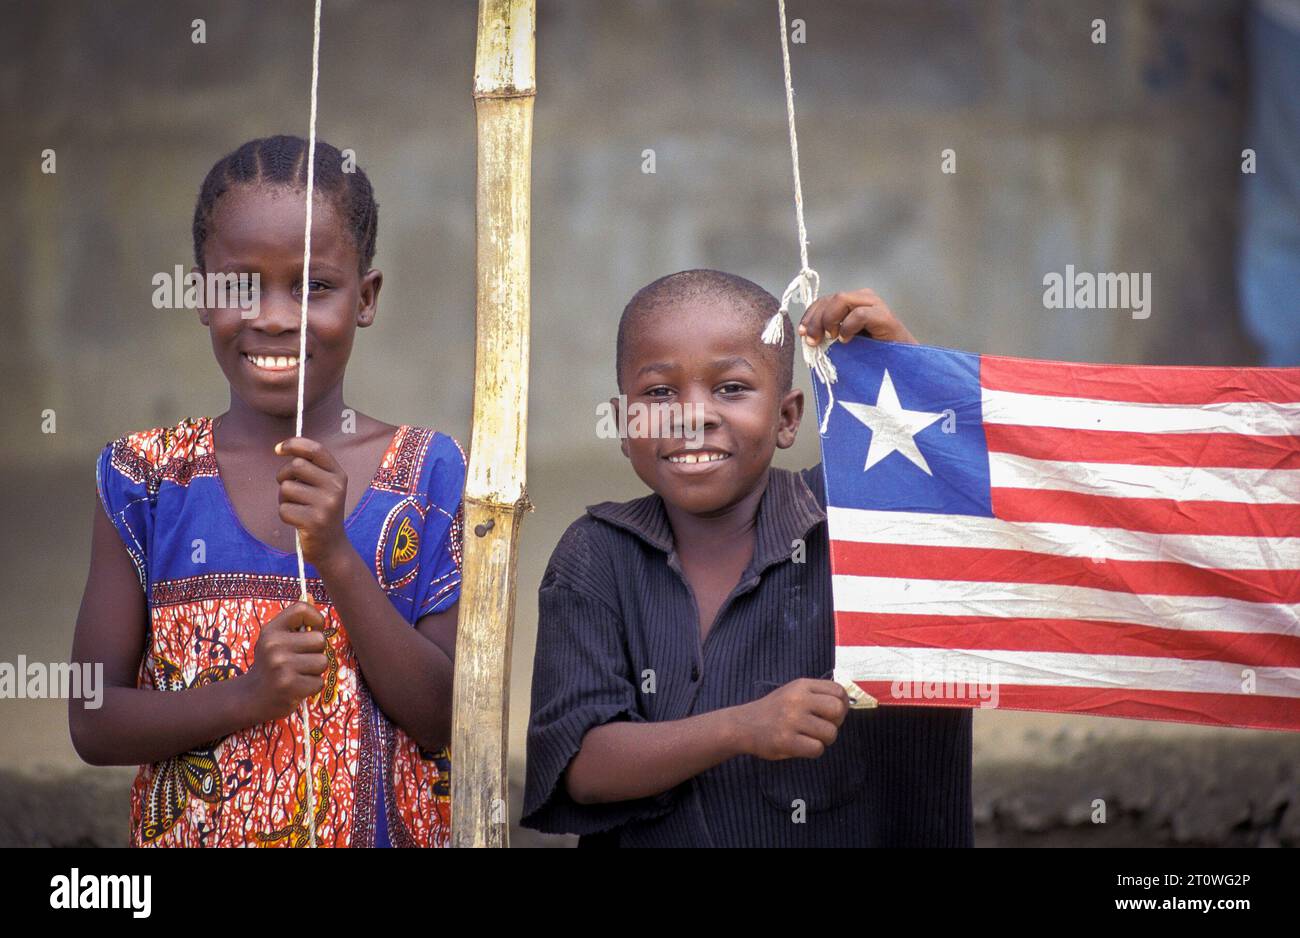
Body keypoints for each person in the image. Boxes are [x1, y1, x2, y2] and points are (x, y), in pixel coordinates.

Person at [68, 135, 465, 847]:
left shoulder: (429, 473)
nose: (275, 316)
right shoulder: (145, 480)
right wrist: (248, 696)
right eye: (241, 286)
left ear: (366, 297)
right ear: (200, 295)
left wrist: (337, 554)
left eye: (313, 285)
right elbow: (93, 721)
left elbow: (444, 717)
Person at [522, 269, 973, 847]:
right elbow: (582, 765)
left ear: (787, 418)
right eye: (659, 393)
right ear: (623, 420)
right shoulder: (595, 556)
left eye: (731, 389)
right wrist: (741, 727)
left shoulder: (862, 527)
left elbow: (970, 491)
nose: (694, 415)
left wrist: (907, 366)